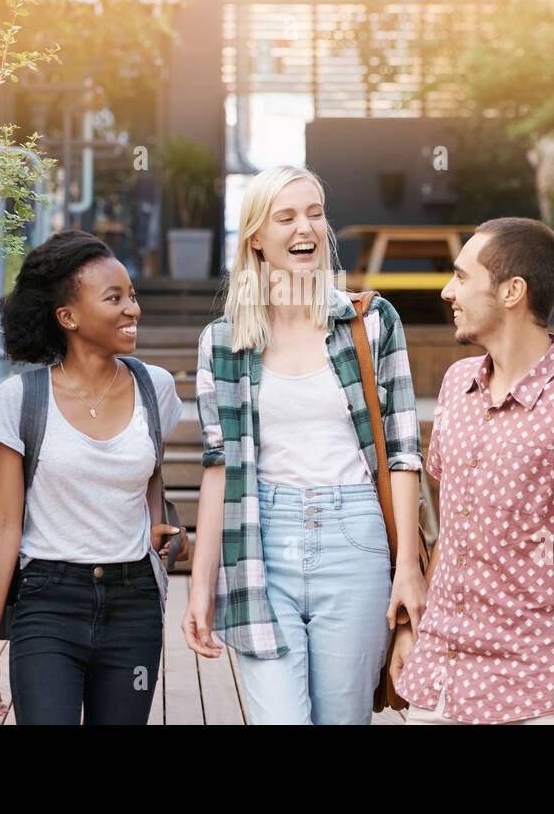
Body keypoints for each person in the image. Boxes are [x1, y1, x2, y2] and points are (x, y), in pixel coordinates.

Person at [181, 164, 427, 724]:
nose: (306, 229)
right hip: (261, 541)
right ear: (256, 239)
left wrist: (407, 569)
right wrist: (202, 585)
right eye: (286, 217)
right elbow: (218, 466)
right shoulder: (223, 341)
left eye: (315, 214)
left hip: (357, 537)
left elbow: (402, 451)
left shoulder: (371, 321)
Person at [392, 217, 554, 725]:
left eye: (461, 277)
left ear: (512, 291)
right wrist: (413, 629)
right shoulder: (456, 385)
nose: (446, 292)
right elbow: (452, 530)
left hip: (535, 690)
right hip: (439, 681)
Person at [0, 229, 186, 724]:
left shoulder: (156, 387)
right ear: (67, 317)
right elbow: (2, 527)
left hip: (134, 605)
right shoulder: (21, 398)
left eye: (132, 295)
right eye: (114, 298)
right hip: (47, 602)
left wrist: (160, 526)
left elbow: (150, 475)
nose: (132, 308)